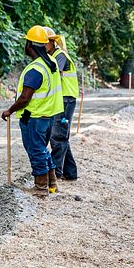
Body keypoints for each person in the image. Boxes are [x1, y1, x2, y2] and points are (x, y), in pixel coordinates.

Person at [1, 26, 64, 195]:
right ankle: (52, 185)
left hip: (34, 118)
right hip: (47, 117)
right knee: (42, 150)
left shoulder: (36, 69)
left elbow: (24, 98)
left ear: (29, 44)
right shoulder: (51, 64)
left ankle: (41, 188)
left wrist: (9, 110)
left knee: (36, 151)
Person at [45, 28, 79, 180]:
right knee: (62, 136)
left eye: (43, 42)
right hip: (63, 99)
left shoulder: (59, 56)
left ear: (52, 42)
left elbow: (53, 76)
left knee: (58, 137)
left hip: (65, 99)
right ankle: (70, 173)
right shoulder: (53, 55)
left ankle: (56, 174)